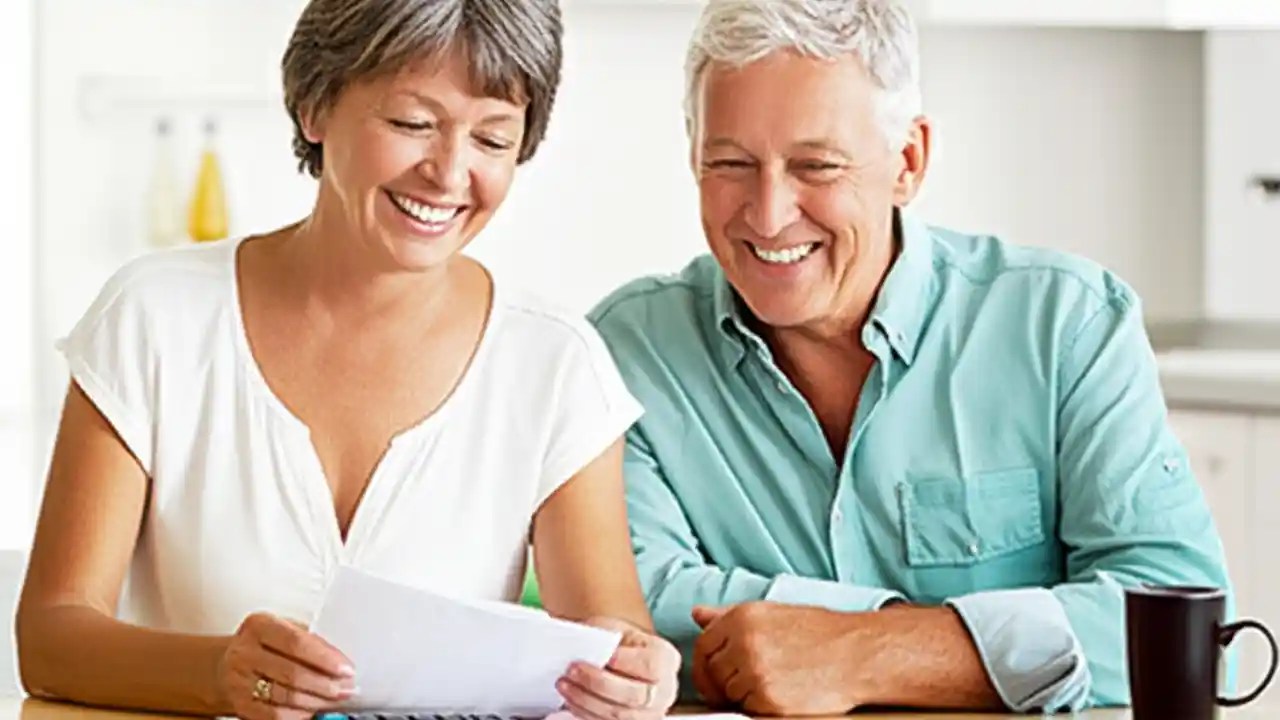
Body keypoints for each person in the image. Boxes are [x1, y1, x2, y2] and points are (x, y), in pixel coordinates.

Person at [15, 2, 680, 719]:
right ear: (314, 106)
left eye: (492, 138)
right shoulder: (154, 320)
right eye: (411, 124)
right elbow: (51, 638)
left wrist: (636, 678)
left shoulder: (556, 364)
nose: (449, 173)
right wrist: (217, 673)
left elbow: (612, 639)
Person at [587, 0, 1231, 715]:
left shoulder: (1066, 326)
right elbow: (625, 618)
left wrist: (863, 653)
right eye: (730, 163)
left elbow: (1180, 633)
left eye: (816, 166)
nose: (768, 214)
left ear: (909, 162)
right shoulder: (626, 353)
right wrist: (985, 640)